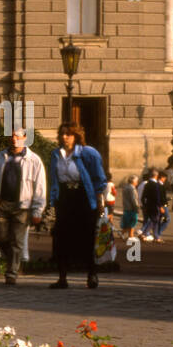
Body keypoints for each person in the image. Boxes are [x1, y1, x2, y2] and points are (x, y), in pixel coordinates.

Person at [0, 126, 46, 284]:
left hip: (22, 206)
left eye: (17, 136)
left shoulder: (34, 160)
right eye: (11, 136)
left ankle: (11, 273)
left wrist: (38, 211)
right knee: (2, 238)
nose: (14, 139)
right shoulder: (0, 157)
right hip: (2, 205)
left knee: (17, 240)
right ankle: (12, 260)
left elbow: (40, 187)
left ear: (25, 137)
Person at [47, 124, 107, 289]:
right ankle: (62, 277)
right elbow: (53, 179)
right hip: (65, 197)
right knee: (61, 237)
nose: (65, 137)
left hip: (84, 197)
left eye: (69, 134)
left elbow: (99, 179)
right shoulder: (55, 154)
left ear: (76, 136)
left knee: (87, 237)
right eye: (62, 134)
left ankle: (91, 274)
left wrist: (99, 201)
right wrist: (53, 202)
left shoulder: (88, 153)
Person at [139, 170, 166, 242]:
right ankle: (144, 233)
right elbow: (157, 197)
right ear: (156, 176)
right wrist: (160, 206)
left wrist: (144, 204)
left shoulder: (147, 184)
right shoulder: (156, 185)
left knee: (154, 221)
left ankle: (156, 236)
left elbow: (143, 196)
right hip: (155, 205)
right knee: (155, 219)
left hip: (148, 205)